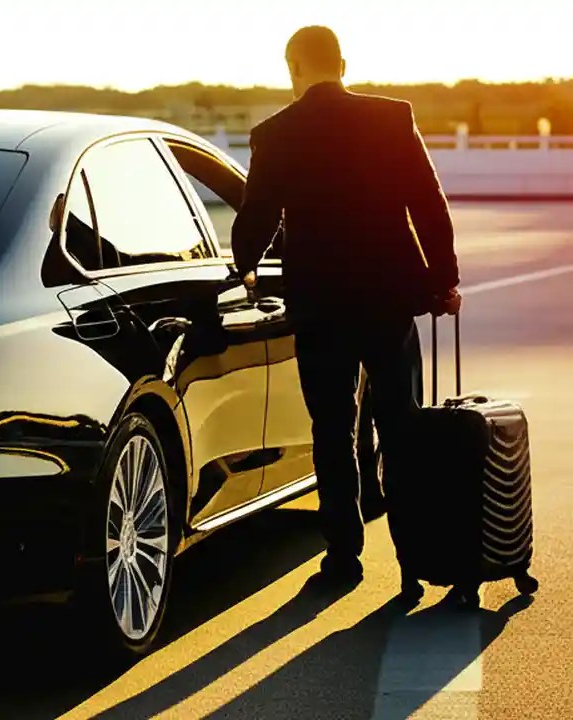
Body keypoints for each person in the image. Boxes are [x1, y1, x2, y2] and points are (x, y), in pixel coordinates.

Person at [231, 25, 462, 594]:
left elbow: (255, 218)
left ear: (293, 70)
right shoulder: (392, 117)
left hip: (320, 304)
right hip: (388, 300)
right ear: (343, 63)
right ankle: (413, 562)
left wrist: (246, 267)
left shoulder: (275, 134)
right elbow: (428, 204)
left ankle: (343, 558)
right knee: (400, 428)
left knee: (331, 430)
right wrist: (443, 282)